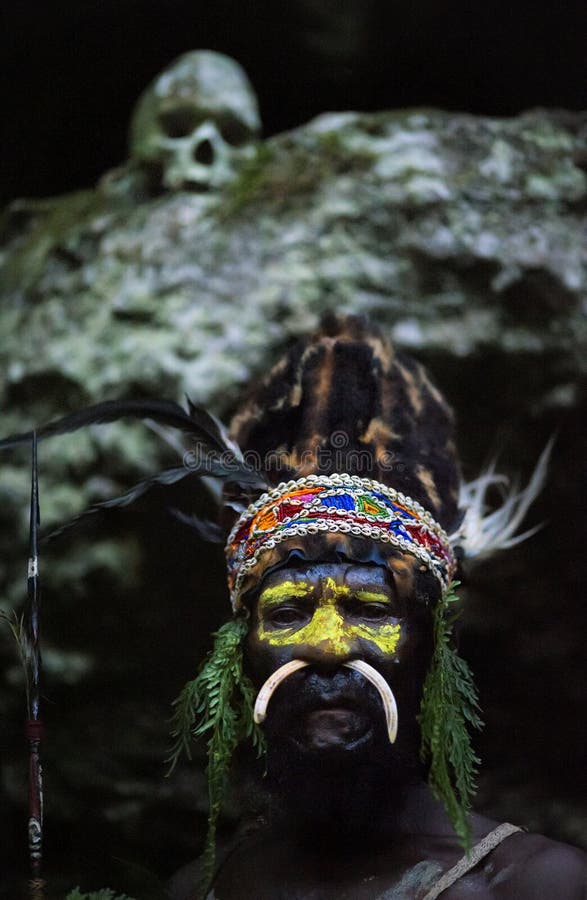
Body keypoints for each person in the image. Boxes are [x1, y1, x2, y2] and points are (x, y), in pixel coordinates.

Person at [166, 315, 586, 899]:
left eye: (369, 609)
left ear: (439, 642)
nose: (327, 644)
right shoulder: (201, 889)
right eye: (287, 613)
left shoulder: (532, 885)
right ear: (240, 654)